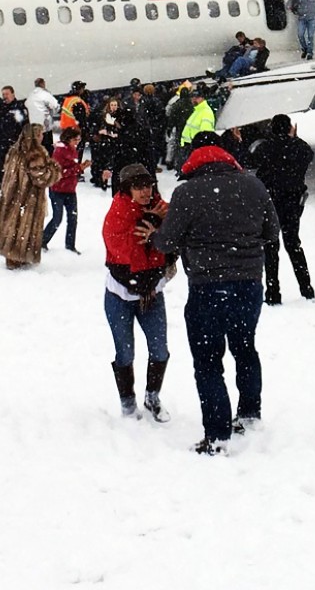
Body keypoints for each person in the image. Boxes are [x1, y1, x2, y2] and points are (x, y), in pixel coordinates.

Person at [143, 133, 279, 455]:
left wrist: (156, 234)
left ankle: (217, 436)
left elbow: (167, 242)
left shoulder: (187, 192)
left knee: (207, 361)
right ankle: (249, 413)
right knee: (245, 348)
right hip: (248, 285)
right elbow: (272, 231)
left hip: (207, 287)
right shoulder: (253, 184)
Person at [102, 163, 174, 421]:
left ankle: (152, 396)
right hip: (120, 295)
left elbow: (171, 242)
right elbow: (125, 251)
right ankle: (127, 401)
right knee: (125, 352)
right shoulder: (117, 214)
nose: (145, 192)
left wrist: (158, 230)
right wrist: (151, 223)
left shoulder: (162, 208)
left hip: (152, 294)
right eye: (138, 187)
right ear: (126, 189)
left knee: (160, 349)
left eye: (148, 185)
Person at [247, 114, 315, 305]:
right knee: (293, 244)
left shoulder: (266, 148)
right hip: (293, 203)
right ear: (289, 128)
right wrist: (294, 138)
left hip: (270, 203)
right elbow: (308, 155)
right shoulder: (300, 148)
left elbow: (251, 159)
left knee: (270, 246)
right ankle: (306, 288)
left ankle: (272, 291)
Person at [0, 124, 61, 269]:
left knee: (13, 225)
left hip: (12, 196)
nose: (42, 137)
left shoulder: (15, 151)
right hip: (29, 198)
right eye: (40, 134)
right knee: (25, 227)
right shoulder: (35, 154)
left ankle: (11, 255)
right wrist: (54, 169)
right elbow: (41, 177)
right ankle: (20, 257)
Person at [42, 127, 91, 254]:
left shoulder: (72, 150)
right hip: (57, 189)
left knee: (73, 219)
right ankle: (42, 240)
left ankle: (70, 245)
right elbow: (59, 172)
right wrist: (77, 169)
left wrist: (80, 168)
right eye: (76, 139)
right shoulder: (59, 151)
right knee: (57, 218)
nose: (78, 142)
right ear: (68, 139)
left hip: (70, 189)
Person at [178, 88, 215, 169]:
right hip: (190, 149)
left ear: (202, 98)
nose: (193, 99)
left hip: (195, 149)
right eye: (192, 97)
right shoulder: (197, 110)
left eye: (197, 97)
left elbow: (206, 134)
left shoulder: (206, 112)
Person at [0, 85, 30, 184]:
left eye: (7, 94)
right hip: (2, 145)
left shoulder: (19, 108)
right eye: (3, 94)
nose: (5, 96)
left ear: (13, 94)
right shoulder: (1, 108)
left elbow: (25, 127)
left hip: (14, 145)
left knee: (13, 172)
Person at [26, 78, 60, 154]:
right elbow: (56, 106)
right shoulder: (45, 94)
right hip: (45, 127)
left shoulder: (30, 95)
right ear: (43, 84)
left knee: (37, 149)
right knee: (48, 149)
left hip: (34, 128)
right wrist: (51, 111)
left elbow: (27, 105)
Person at [60, 81, 91, 162]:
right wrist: (85, 130)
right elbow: (81, 118)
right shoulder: (77, 101)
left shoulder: (67, 99)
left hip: (66, 129)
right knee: (77, 152)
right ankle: (75, 171)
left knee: (68, 151)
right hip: (76, 130)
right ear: (80, 90)